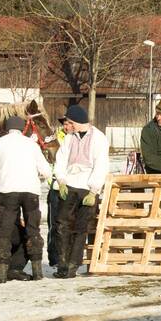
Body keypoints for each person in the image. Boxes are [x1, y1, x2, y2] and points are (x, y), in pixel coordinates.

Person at [0, 114, 52, 283]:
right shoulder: (31, 144)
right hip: (31, 192)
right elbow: (46, 170)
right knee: (32, 229)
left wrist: (1, 175)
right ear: (23, 128)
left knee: (4, 232)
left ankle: (1, 273)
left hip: (8, 191)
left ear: (7, 128)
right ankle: (37, 271)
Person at [53, 104, 110, 278]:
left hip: (87, 186)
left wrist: (94, 190)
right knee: (62, 225)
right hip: (70, 184)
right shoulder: (69, 138)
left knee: (80, 227)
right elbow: (61, 159)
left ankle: (73, 264)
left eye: (68, 123)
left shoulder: (98, 138)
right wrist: (61, 180)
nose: (65, 126)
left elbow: (101, 164)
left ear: (75, 122)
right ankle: (62, 263)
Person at [46, 115, 68, 269]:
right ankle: (54, 258)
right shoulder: (55, 140)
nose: (66, 127)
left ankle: (67, 256)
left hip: (70, 186)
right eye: (65, 124)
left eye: (69, 123)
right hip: (55, 186)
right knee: (53, 225)